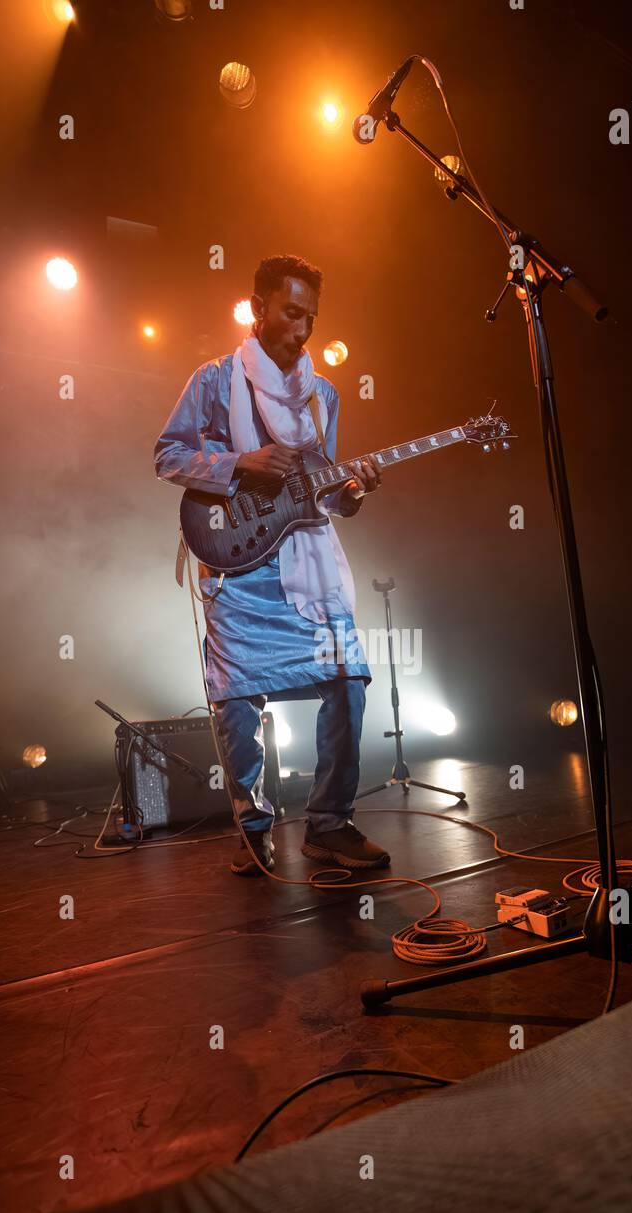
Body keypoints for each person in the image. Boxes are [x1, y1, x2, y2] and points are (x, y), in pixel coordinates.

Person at [154, 254, 390, 875]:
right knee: (236, 703)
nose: (303, 330)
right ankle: (253, 829)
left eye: (311, 317)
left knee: (348, 682)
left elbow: (324, 493)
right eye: (291, 313)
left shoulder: (325, 396)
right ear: (258, 308)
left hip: (312, 563)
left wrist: (355, 490)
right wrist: (239, 464)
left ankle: (328, 825)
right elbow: (168, 455)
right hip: (240, 565)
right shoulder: (213, 380)